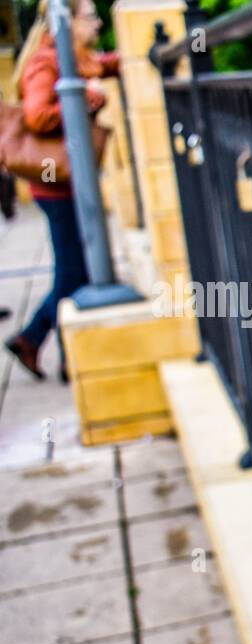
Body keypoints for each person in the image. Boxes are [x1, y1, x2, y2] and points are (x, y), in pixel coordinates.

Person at [4, 0, 118, 382]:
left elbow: (104, 63)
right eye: (90, 15)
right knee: (73, 271)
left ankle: (64, 355)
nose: (98, 22)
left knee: (78, 270)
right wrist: (90, 96)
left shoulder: (72, 58)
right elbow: (37, 115)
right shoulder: (47, 62)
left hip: (67, 181)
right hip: (55, 185)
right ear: (64, 22)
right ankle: (32, 338)